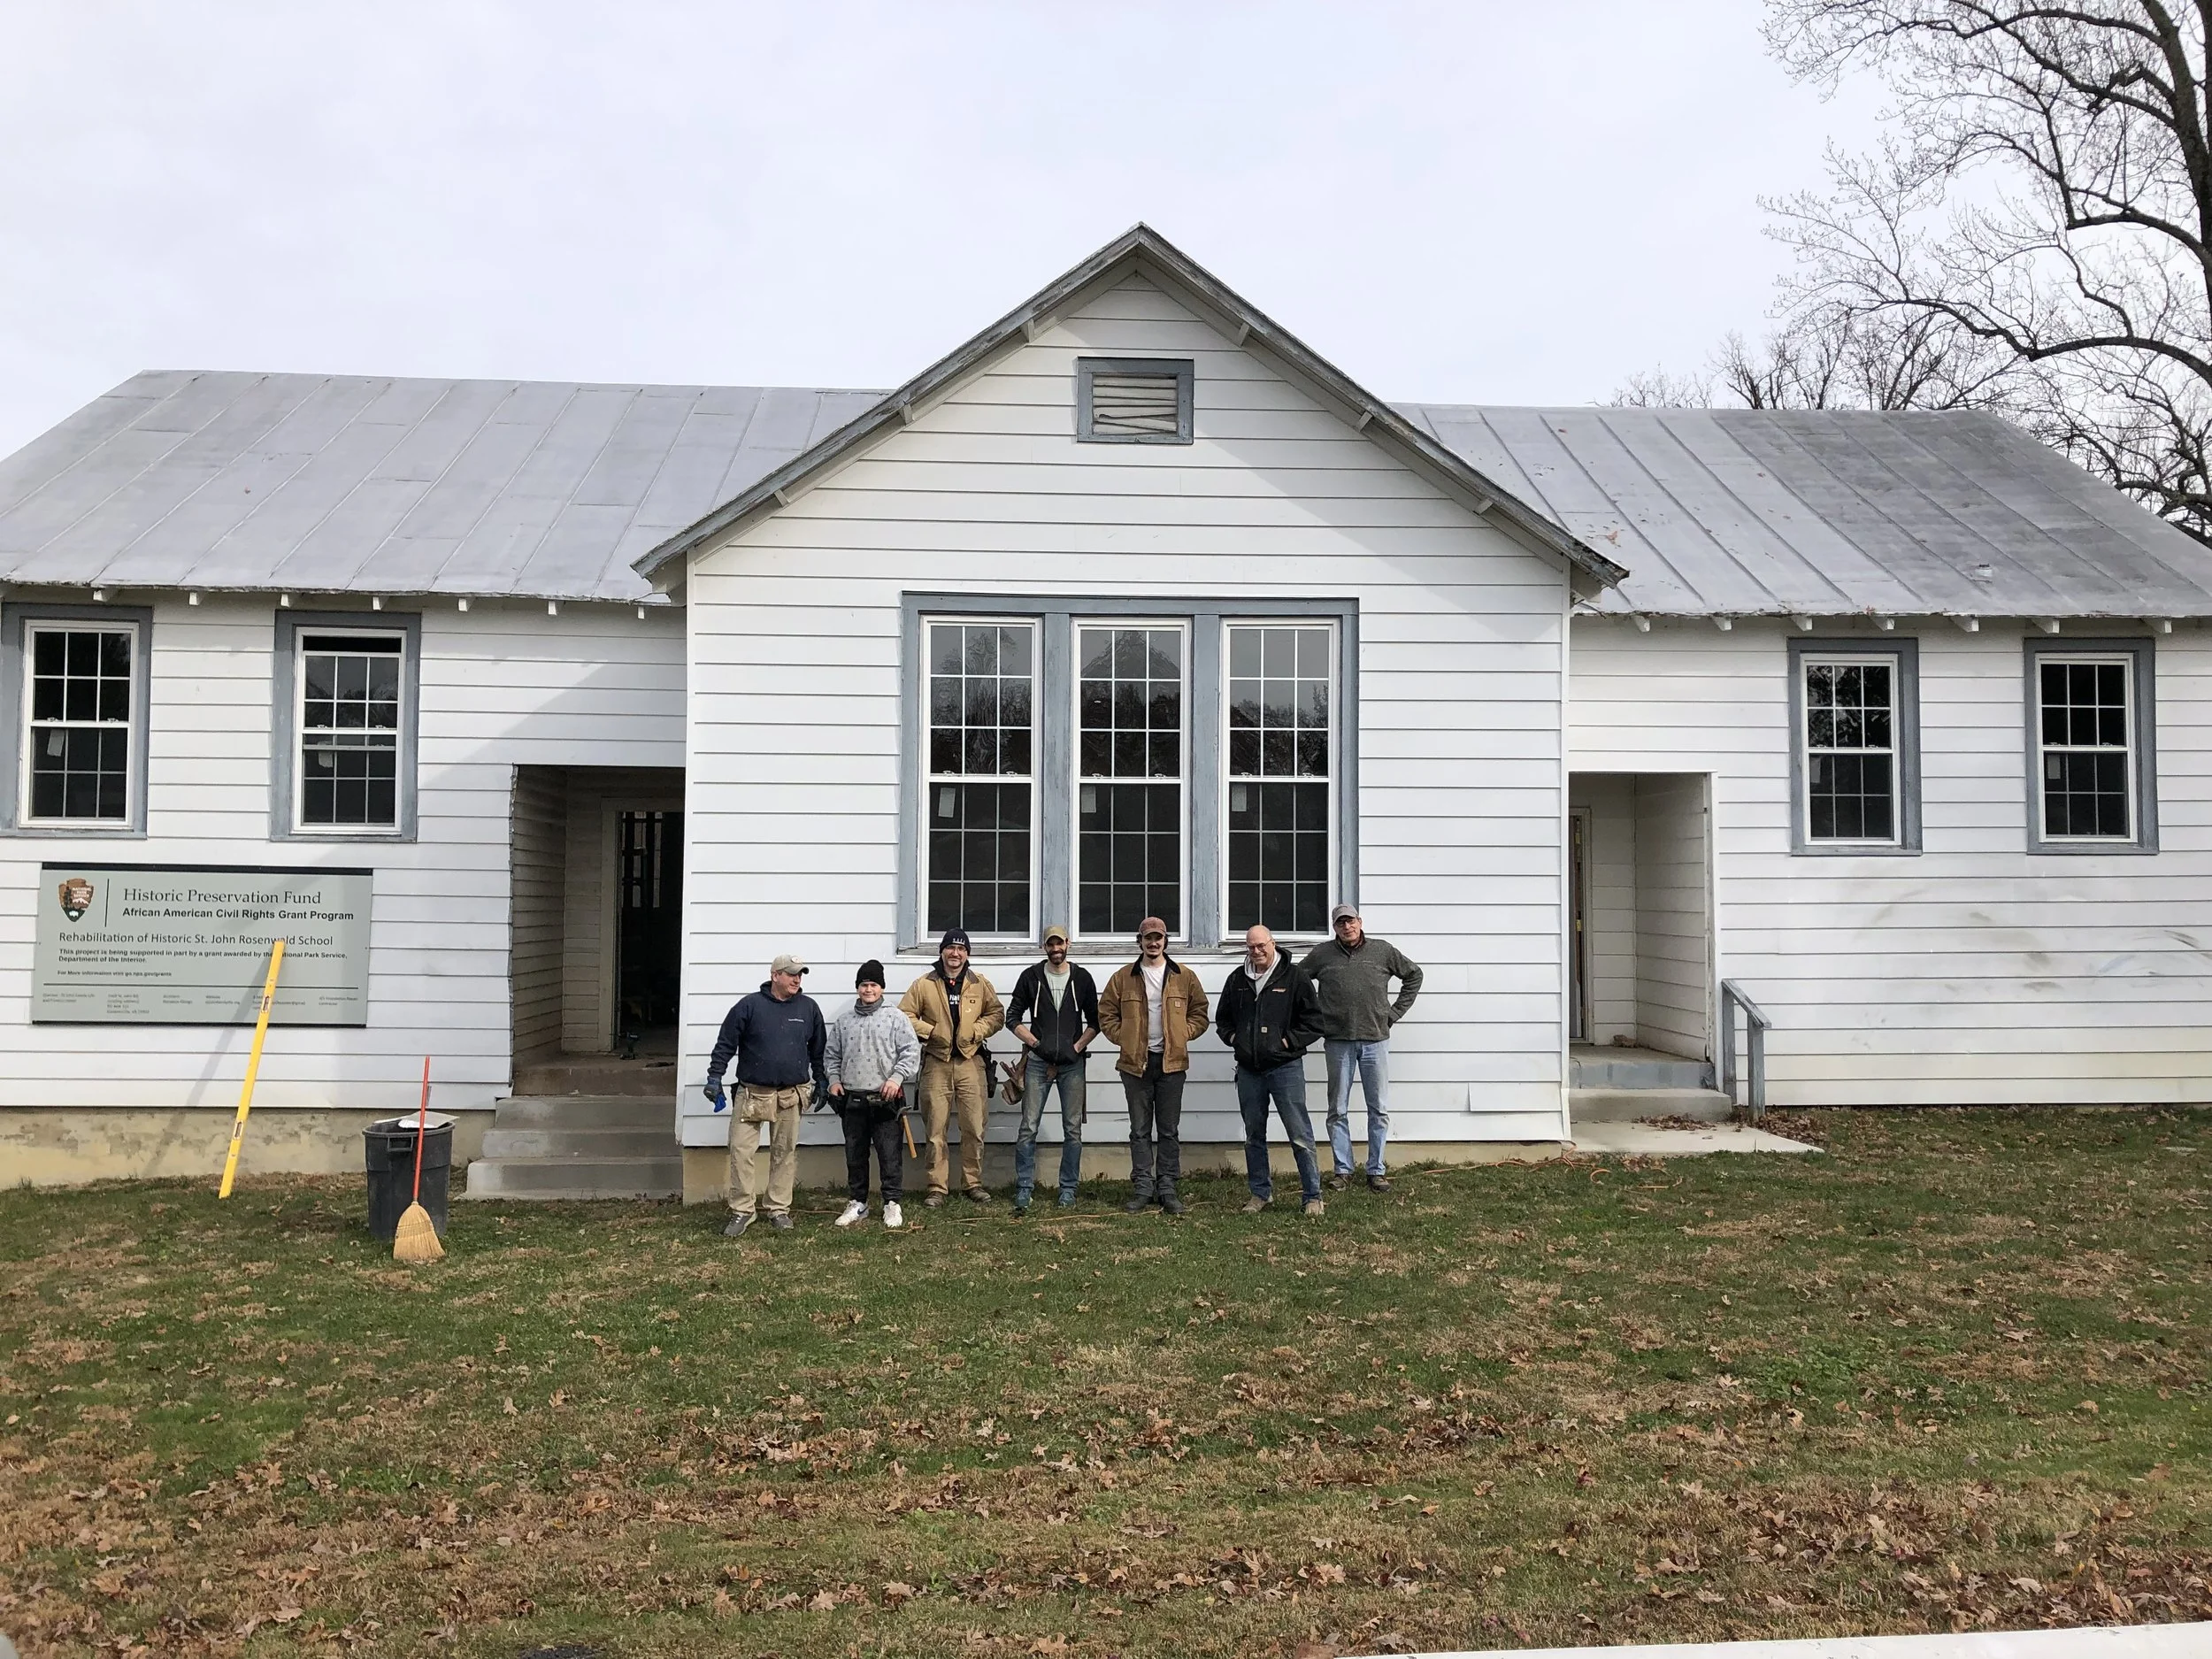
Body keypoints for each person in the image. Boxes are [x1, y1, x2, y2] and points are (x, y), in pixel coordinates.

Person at [1300, 903, 1423, 1193]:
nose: (1347, 927)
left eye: (1350, 921)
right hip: (1337, 1041)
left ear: (1360, 921)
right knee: (1337, 1109)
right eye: (1341, 923)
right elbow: (1298, 981)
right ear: (1335, 927)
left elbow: (1414, 975)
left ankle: (1376, 1170)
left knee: (1377, 1108)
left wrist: (1394, 1013)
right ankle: (1342, 1170)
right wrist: (1315, 1015)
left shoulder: (1383, 951)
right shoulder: (1322, 954)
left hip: (1375, 1039)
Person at [703, 952, 827, 1236]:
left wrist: (821, 1079)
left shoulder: (808, 1008)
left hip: (790, 1094)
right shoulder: (749, 1006)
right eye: (791, 974)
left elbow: (817, 1051)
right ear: (775, 976)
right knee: (741, 1151)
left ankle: (778, 1209)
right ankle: (742, 1211)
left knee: (784, 1153)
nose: (797, 979)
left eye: (800, 975)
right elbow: (725, 1045)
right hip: (752, 1094)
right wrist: (714, 1077)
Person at [1097, 917, 1210, 1216]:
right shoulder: (1123, 977)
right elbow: (1106, 1014)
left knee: (1169, 1130)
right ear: (1140, 942)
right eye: (1148, 938)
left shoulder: (1184, 976)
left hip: (1172, 1064)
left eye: (1158, 938)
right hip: (1136, 1065)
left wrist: (1183, 1033)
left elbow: (1200, 1012)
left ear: (1165, 941)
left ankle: (1168, 1187)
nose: (1153, 943)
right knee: (1139, 1130)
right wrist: (1126, 1038)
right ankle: (1143, 1187)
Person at [1215, 924, 1327, 1216]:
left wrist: (1287, 1041)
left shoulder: (1295, 977)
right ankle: (1260, 1194)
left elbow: (1314, 1022)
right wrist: (1235, 1039)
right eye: (1251, 947)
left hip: (1285, 1069)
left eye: (1261, 945)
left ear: (1273, 944)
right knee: (1254, 1136)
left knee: (1299, 1134)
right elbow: (1223, 1019)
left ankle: (1313, 1196)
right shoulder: (1237, 979)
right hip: (1249, 1071)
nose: (1256, 951)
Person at [897, 927, 1004, 1206]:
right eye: (950, 948)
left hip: (971, 1061)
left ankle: (973, 1183)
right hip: (936, 1062)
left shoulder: (979, 983)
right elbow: (904, 1015)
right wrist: (930, 1031)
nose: (955, 953)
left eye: (961, 949)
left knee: (974, 1127)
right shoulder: (924, 984)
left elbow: (997, 1014)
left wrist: (976, 1031)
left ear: (967, 954)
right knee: (935, 1129)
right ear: (942, 951)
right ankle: (937, 1187)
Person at [1004, 924, 1100, 1214]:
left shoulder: (1082, 978)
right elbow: (1012, 1018)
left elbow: (1096, 1022)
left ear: (1068, 944)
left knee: (1072, 1129)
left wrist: (1077, 1048)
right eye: (1050, 944)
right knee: (1028, 1127)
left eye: (1060, 943)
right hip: (1037, 1064)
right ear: (1044, 947)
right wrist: (1035, 1044)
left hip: (1072, 1066)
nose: (1056, 949)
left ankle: (1068, 1189)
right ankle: (1024, 1187)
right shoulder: (1031, 977)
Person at [824, 958, 922, 1231]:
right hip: (852, 1100)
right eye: (864, 985)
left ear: (882, 988)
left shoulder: (896, 1018)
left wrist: (896, 1078)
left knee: (889, 1154)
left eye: (874, 985)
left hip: (886, 1100)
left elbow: (911, 1052)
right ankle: (858, 1202)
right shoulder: (844, 1022)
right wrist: (834, 1080)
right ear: (858, 988)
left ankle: (892, 1202)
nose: (868, 990)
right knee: (855, 1154)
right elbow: (831, 1055)